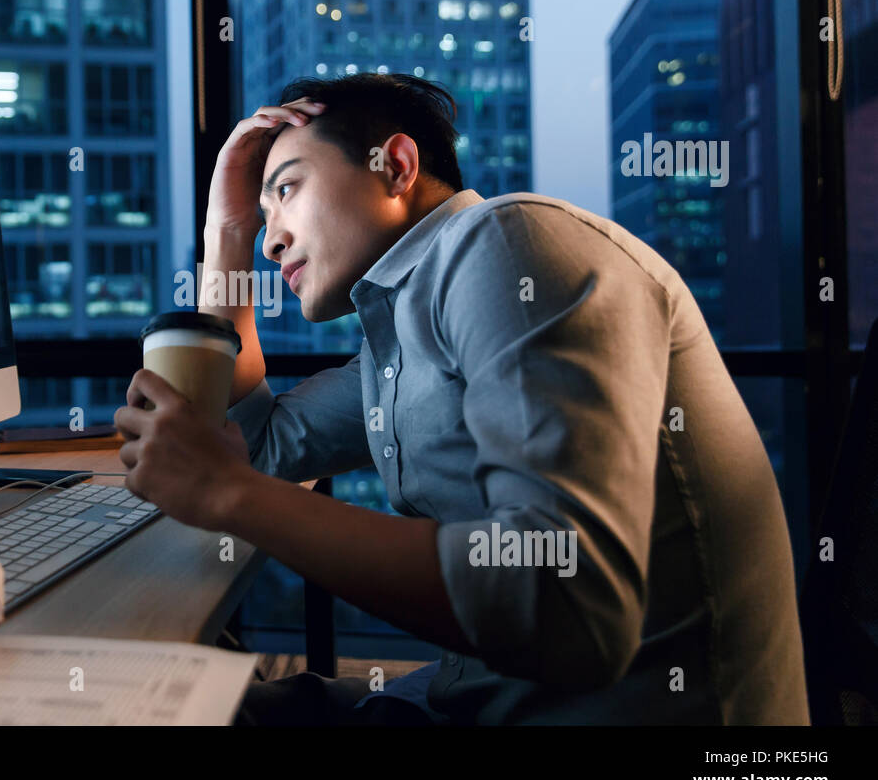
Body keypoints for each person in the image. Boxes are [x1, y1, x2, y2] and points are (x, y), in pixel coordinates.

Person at [111, 72, 809, 725]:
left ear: (397, 167)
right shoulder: (411, 324)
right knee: (161, 704)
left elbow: (570, 607)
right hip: (473, 699)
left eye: (287, 190)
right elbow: (254, 446)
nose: (270, 240)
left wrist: (232, 493)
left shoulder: (508, 243)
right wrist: (223, 231)